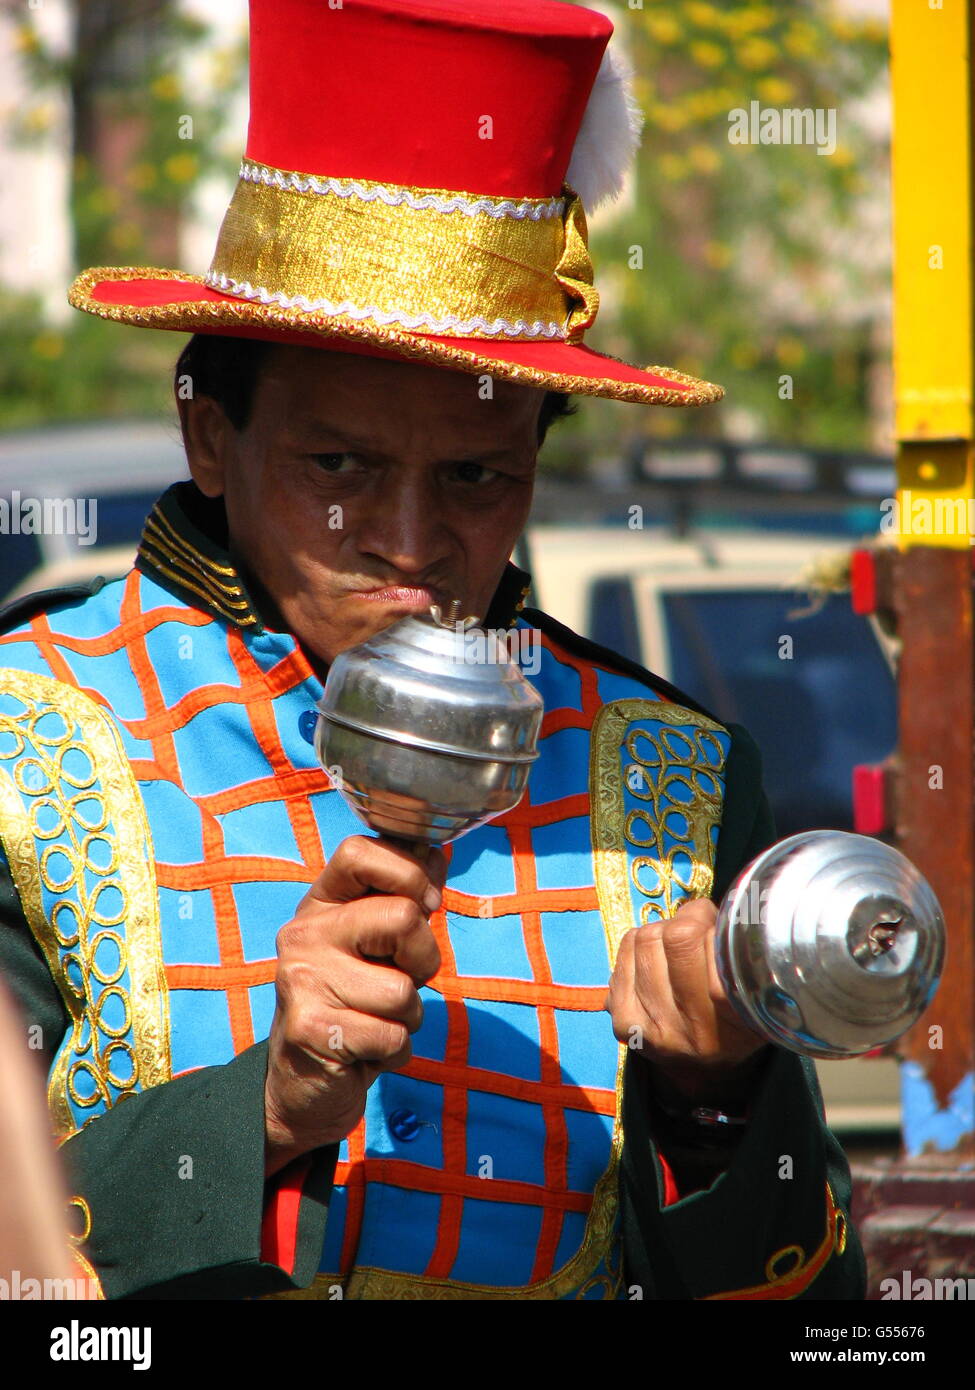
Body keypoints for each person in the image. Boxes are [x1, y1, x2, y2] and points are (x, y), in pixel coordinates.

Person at [0, 0, 863, 1299]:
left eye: (475, 474)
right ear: (208, 435)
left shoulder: (675, 783)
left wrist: (716, 1104)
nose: (410, 543)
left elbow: (808, 1302)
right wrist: (267, 1111)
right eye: (338, 463)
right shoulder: (24, 743)